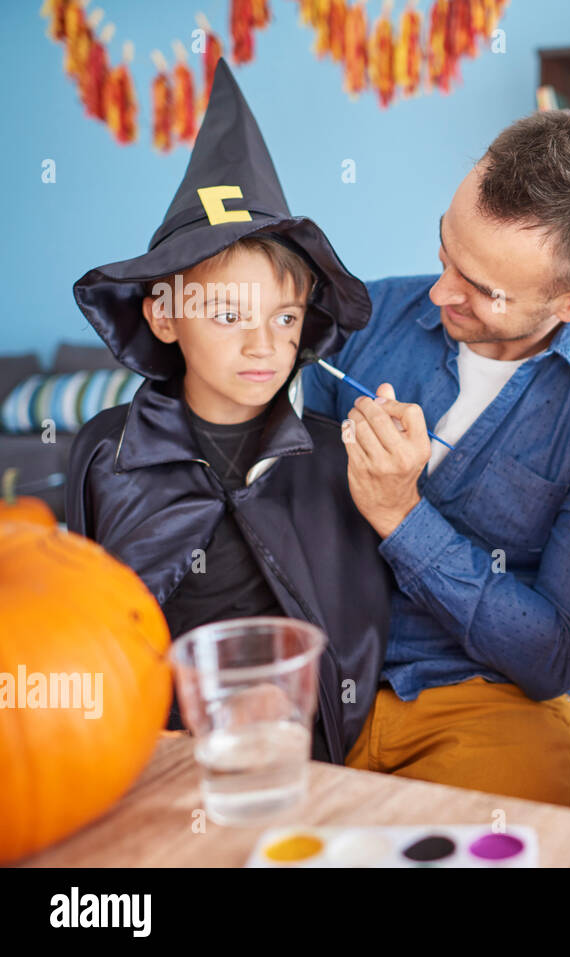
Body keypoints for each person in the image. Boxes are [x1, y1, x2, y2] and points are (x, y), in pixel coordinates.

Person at [301, 108, 570, 808]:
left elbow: (555, 654)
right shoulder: (361, 321)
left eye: (483, 289)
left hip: (490, 702)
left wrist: (403, 516)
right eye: (444, 252)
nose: (439, 293)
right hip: (321, 680)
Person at [66, 59, 391, 764]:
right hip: (144, 754)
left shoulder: (336, 460)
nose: (262, 345)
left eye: (284, 318)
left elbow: (353, 636)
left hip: (296, 757)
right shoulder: (104, 455)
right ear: (163, 315)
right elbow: (80, 625)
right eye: (227, 314)